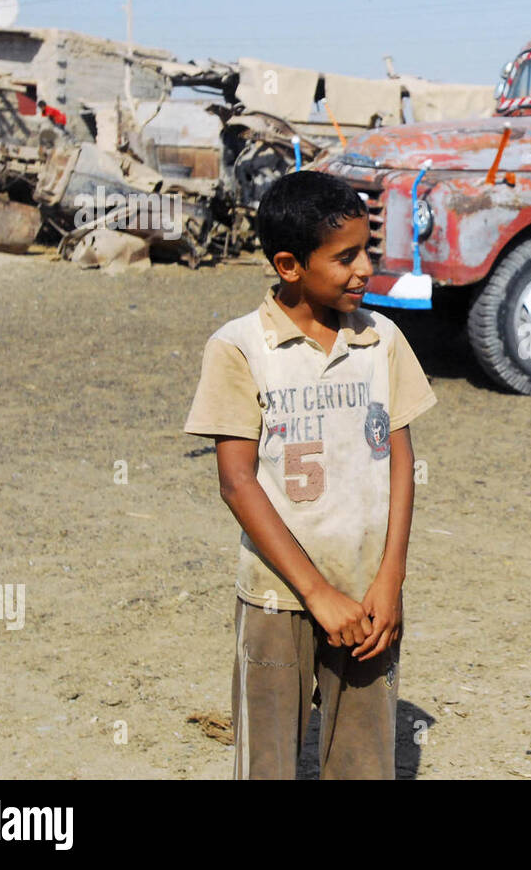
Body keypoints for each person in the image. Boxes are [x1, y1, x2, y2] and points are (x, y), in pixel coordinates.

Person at [184, 170, 437, 779]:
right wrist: (317, 595)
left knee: (363, 762)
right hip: (278, 598)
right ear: (290, 265)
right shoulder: (240, 347)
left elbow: (401, 460)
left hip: (367, 594)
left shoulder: (383, 339)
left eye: (367, 250)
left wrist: (390, 578)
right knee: (267, 762)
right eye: (345, 256)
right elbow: (237, 482)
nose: (364, 268)